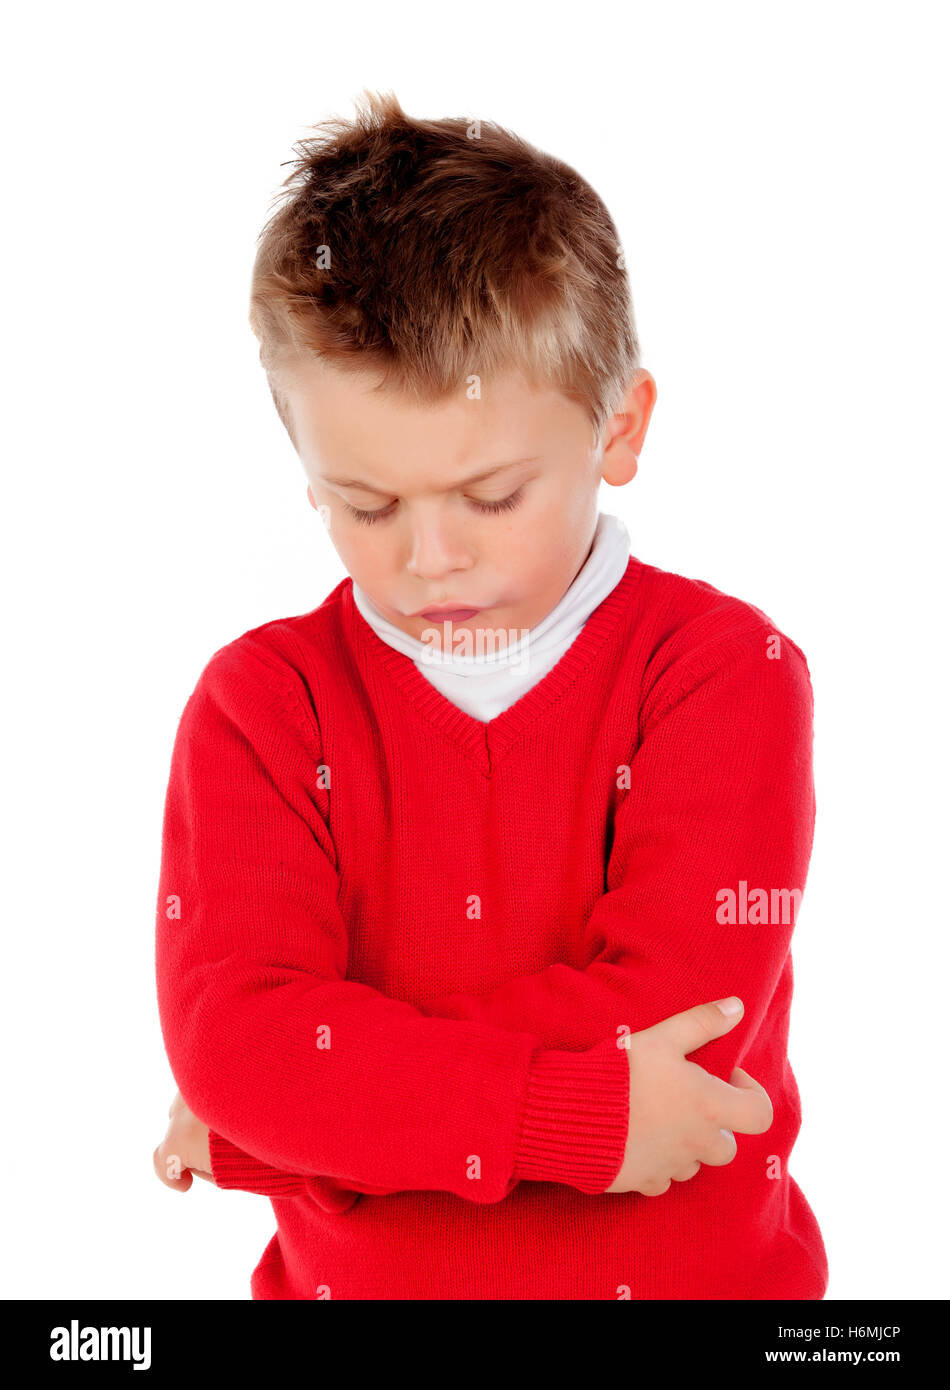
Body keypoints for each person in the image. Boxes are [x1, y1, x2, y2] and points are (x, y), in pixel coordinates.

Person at [153, 89, 828, 1300]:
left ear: (617, 430)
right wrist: (567, 1115)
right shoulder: (261, 706)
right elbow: (239, 1046)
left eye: (491, 495)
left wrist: (298, 1120)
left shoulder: (725, 672)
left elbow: (682, 1021)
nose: (429, 558)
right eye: (365, 505)